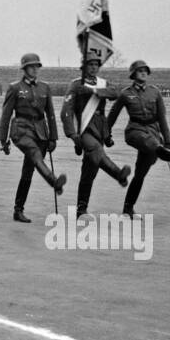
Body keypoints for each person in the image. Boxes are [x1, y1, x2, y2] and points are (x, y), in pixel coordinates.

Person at [106, 60, 170, 217]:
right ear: (133, 74)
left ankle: (128, 208)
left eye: (145, 70)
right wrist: (106, 135)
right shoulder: (126, 94)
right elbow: (112, 116)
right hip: (135, 131)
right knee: (152, 144)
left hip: (153, 131)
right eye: (140, 70)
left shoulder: (155, 92)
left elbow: (162, 118)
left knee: (140, 173)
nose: (143, 72)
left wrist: (168, 141)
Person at [60, 55, 131, 220]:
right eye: (89, 64)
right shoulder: (76, 84)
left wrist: (94, 91)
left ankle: (81, 209)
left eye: (95, 65)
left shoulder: (101, 83)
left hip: (100, 129)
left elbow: (115, 93)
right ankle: (118, 174)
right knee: (96, 151)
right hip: (84, 129)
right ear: (83, 67)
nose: (93, 68)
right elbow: (66, 111)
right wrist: (72, 134)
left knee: (90, 171)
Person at [0, 53, 67, 223]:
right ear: (25, 69)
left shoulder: (45, 87)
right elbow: (6, 115)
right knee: (35, 154)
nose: (35, 69)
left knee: (28, 171)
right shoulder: (15, 88)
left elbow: (50, 114)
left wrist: (53, 138)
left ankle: (18, 210)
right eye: (32, 66)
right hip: (21, 130)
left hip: (40, 131)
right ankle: (54, 181)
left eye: (37, 66)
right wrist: (3, 139)